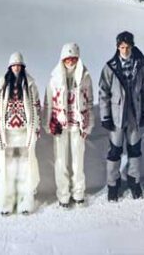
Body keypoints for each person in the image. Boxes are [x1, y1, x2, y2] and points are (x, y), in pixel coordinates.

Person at [99, 32, 144, 201]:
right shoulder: (110, 67)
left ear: (132, 47)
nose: (125, 50)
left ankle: (134, 181)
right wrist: (105, 116)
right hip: (117, 116)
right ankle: (113, 185)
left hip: (134, 114)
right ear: (117, 47)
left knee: (134, 149)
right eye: (122, 47)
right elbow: (103, 93)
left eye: (128, 47)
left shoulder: (141, 65)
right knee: (114, 151)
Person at [0, 52, 42, 215]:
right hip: (8, 133)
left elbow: (36, 106)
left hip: (24, 132)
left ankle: (25, 201)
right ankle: (7, 201)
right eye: (14, 65)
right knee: (8, 168)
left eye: (19, 65)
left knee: (25, 167)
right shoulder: (1, 84)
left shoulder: (30, 84)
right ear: (9, 67)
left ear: (23, 66)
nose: (16, 68)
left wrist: (36, 127)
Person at [47, 42, 94, 207]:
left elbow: (89, 102)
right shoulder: (54, 78)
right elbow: (48, 103)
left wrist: (88, 125)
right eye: (67, 58)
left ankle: (78, 193)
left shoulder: (85, 76)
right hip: (60, 126)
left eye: (73, 58)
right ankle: (63, 195)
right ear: (62, 59)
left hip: (78, 125)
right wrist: (49, 123)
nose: (70, 61)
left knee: (78, 162)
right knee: (60, 162)